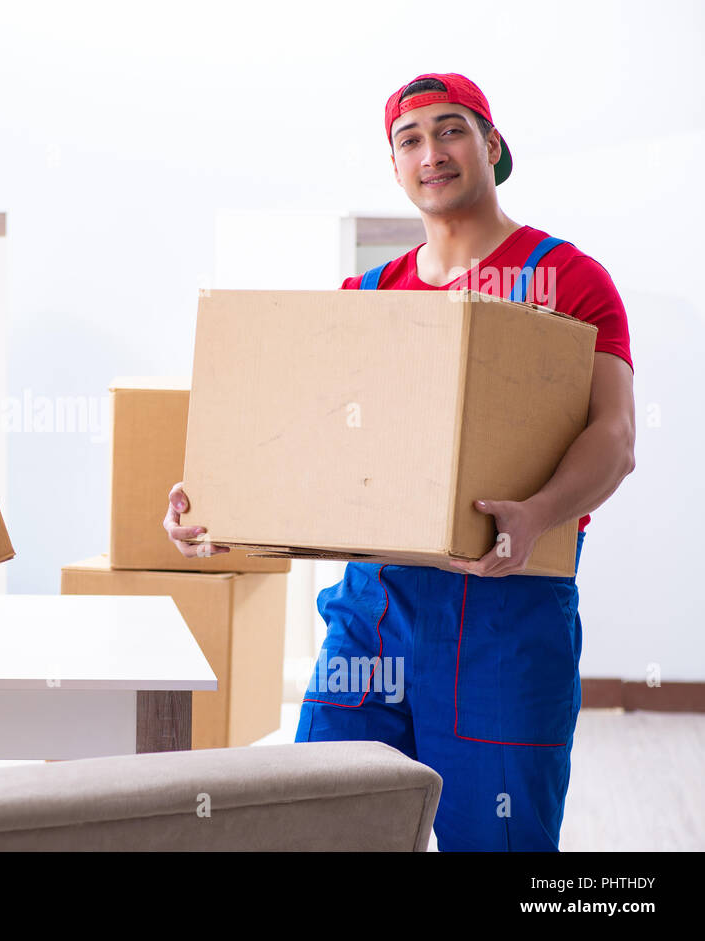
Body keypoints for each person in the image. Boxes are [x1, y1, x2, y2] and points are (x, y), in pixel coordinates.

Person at [163, 74, 635, 851]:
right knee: (321, 827)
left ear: (492, 145)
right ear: (393, 167)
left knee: (500, 843)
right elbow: (318, 454)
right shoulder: (367, 295)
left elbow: (615, 437)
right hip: (372, 616)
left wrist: (538, 512)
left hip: (505, 612)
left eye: (450, 130)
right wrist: (225, 504)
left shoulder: (569, 281)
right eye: (409, 140)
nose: (431, 152)